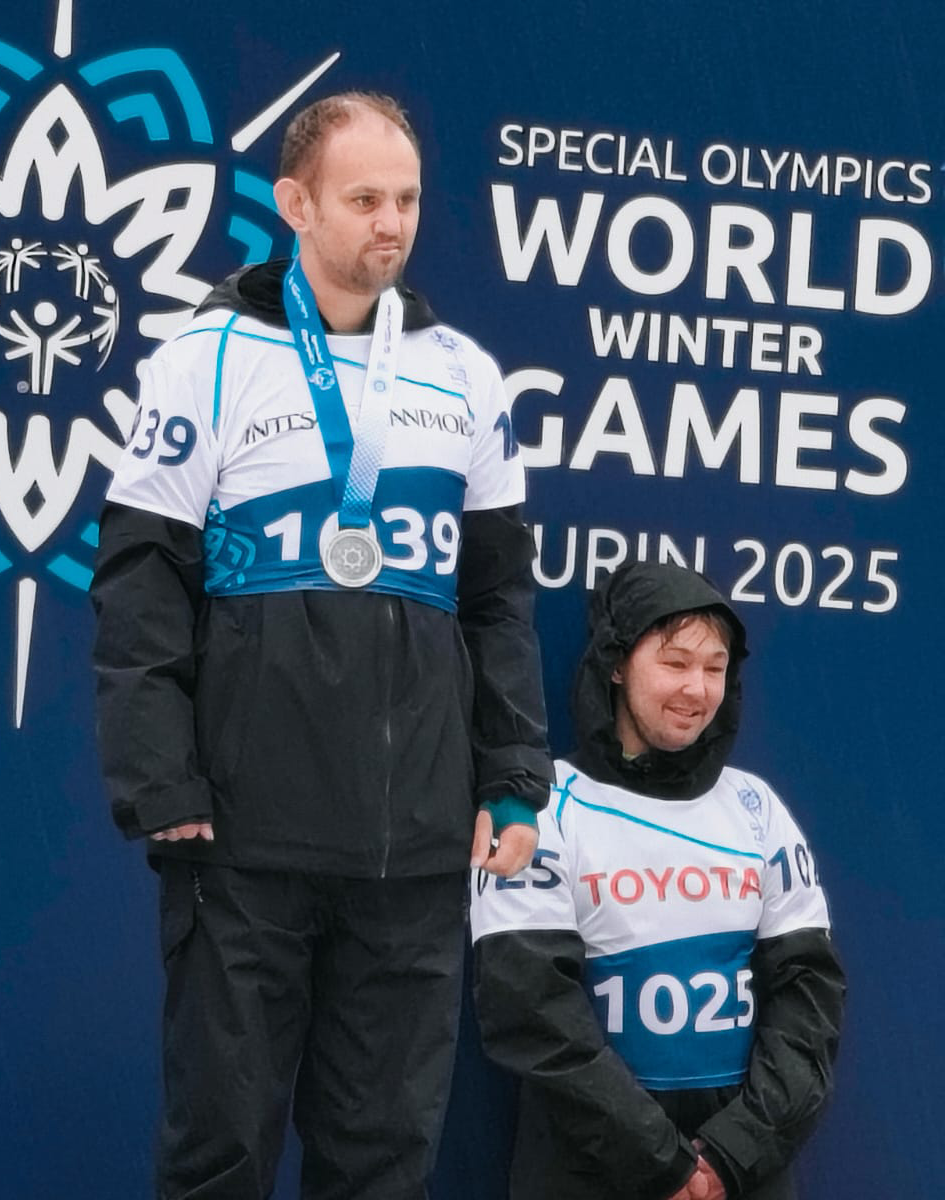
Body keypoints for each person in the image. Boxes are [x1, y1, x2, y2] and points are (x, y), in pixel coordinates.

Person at [91, 92, 552, 1199]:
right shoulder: (207, 357)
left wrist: (514, 777)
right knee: (221, 1155)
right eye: (364, 200)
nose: (391, 224)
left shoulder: (464, 372)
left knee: (383, 1163)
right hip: (246, 837)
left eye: (408, 200)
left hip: (416, 849)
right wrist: (159, 776)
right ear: (296, 204)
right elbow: (141, 582)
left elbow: (496, 600)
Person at [470, 561, 845, 1200]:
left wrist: (732, 1154)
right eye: (675, 663)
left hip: (740, 1173)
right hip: (588, 1168)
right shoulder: (544, 807)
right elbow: (527, 1010)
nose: (696, 689)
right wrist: (661, 1164)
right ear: (617, 664)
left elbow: (809, 1000)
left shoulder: (756, 808)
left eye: (715, 668)